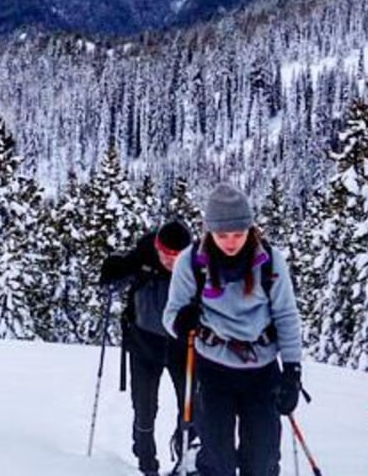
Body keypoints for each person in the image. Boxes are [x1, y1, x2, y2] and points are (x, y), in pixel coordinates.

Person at [162, 184, 305, 476]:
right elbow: (171, 315)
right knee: (217, 461)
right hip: (213, 370)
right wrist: (181, 322)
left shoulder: (270, 262)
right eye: (222, 234)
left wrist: (292, 371)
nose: (230, 242)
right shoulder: (191, 263)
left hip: (262, 371)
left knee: (262, 461)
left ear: (250, 229)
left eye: (238, 234)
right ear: (209, 231)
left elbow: (287, 316)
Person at [100, 219, 196, 476]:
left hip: (183, 349)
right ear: (157, 246)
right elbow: (120, 271)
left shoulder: (197, 266)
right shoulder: (144, 255)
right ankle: (145, 462)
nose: (171, 261)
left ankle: (185, 458)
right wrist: (111, 273)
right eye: (166, 254)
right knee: (144, 407)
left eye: (177, 256)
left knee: (190, 409)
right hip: (144, 344)